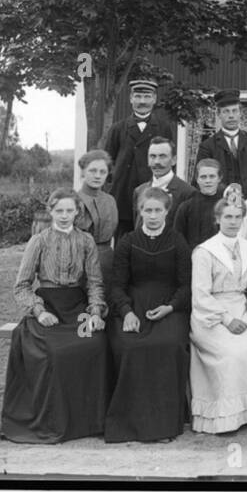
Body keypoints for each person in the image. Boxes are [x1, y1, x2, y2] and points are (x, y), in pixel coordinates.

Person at [0, 189, 108, 444]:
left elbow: (94, 283)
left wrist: (94, 312)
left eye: (70, 211)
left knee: (95, 343)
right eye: (59, 210)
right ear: (50, 212)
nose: (64, 216)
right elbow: (22, 286)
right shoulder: (39, 241)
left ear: (77, 212)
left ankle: (87, 422)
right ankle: (53, 420)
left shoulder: (86, 241)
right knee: (55, 352)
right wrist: (39, 311)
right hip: (48, 307)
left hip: (76, 308)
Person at [103, 187, 192, 443]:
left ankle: (162, 424)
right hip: (133, 305)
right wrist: (127, 312)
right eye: (147, 210)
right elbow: (117, 285)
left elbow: (185, 284)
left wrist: (171, 307)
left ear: (167, 210)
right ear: (140, 211)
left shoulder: (177, 241)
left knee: (167, 344)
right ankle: (129, 422)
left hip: (170, 307)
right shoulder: (128, 242)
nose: (152, 215)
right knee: (128, 345)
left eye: (158, 210)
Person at [189, 186, 247, 434]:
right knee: (234, 353)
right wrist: (227, 318)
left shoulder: (246, 247)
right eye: (228, 217)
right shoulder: (204, 251)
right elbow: (200, 295)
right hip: (211, 316)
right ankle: (225, 416)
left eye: (237, 217)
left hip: (242, 309)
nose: (233, 222)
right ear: (218, 219)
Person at [104, 77, 178, 239]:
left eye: (147, 97)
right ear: (131, 99)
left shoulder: (164, 128)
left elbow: (170, 163)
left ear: (154, 99)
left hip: (153, 196)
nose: (142, 101)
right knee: (124, 243)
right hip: (123, 197)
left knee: (153, 240)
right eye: (137, 97)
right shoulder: (118, 128)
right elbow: (107, 165)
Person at [195, 89, 247, 196]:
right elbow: (201, 178)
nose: (231, 116)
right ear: (219, 114)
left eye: (234, 111)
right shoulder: (207, 146)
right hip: (218, 202)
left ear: (240, 113)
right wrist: (226, 191)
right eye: (226, 111)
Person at [131, 135, 197, 228]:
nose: (157, 162)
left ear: (174, 160)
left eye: (162, 156)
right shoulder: (139, 191)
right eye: (152, 156)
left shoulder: (188, 193)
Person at [74, 149, 119, 281]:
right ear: (83, 171)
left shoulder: (110, 201)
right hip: (79, 261)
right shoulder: (73, 200)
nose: (98, 176)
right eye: (92, 171)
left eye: (102, 172)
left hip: (107, 262)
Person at [172, 158, 224, 248]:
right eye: (203, 177)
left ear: (219, 178)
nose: (208, 181)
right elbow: (178, 238)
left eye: (212, 176)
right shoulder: (186, 207)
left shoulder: (225, 206)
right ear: (197, 179)